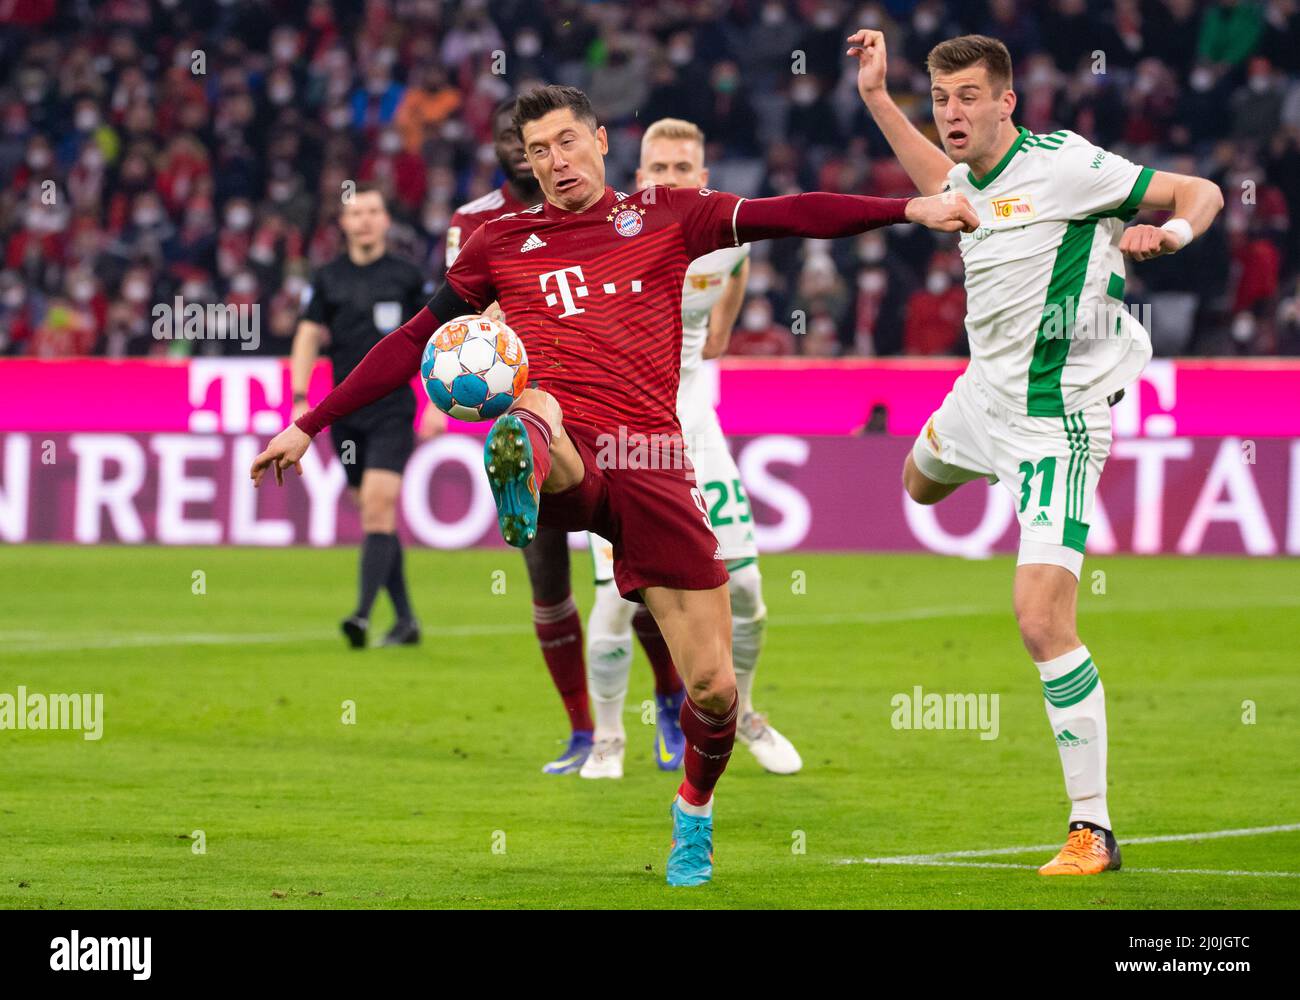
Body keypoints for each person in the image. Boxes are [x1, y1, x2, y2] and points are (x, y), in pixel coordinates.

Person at [253, 84, 976, 886]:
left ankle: (693, 810)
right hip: (571, 451)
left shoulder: (670, 214)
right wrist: (308, 422)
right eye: (537, 152)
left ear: (601, 141)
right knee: (531, 399)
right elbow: (411, 341)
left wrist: (909, 211)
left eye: (566, 143)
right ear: (525, 164)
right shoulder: (499, 241)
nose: (555, 162)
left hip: (656, 465)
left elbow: (792, 212)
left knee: (712, 688)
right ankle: (521, 457)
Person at [851, 30, 1224, 875]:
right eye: (943, 98)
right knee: (915, 484)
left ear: (1006, 101)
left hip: (1061, 419)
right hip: (984, 397)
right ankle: (992, 469)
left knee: (1039, 620)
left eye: (970, 96)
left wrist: (1170, 236)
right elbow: (938, 186)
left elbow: (1199, 189)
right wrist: (878, 97)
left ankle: (1092, 827)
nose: (954, 111)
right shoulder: (965, 180)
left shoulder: (1068, 165)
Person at [582, 117, 801, 781]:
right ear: (637, 178)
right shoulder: (604, 239)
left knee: (748, 587)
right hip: (623, 435)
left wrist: (723, 331)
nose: (670, 180)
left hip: (696, 429)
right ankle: (609, 741)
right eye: (658, 169)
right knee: (620, 599)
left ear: (702, 180)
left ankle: (748, 712)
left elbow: (735, 274)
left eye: (683, 170)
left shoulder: (727, 242)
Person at [447, 99, 595, 776]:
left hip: (601, 400)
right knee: (546, 574)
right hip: (525, 406)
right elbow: (457, 314)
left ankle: (667, 710)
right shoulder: (474, 222)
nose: (522, 148)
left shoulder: (591, 212)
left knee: (639, 580)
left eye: (533, 139)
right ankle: (582, 730)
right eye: (514, 138)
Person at [290, 183, 436, 648]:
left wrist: (436, 403)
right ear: (345, 223)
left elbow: (439, 339)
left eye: (374, 211)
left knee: (376, 509)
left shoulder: (408, 277)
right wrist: (298, 397)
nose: (366, 220)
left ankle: (360, 615)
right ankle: (407, 620)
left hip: (393, 410)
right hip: (345, 414)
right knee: (376, 517)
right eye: (357, 213)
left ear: (386, 221)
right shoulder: (328, 277)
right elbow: (309, 335)